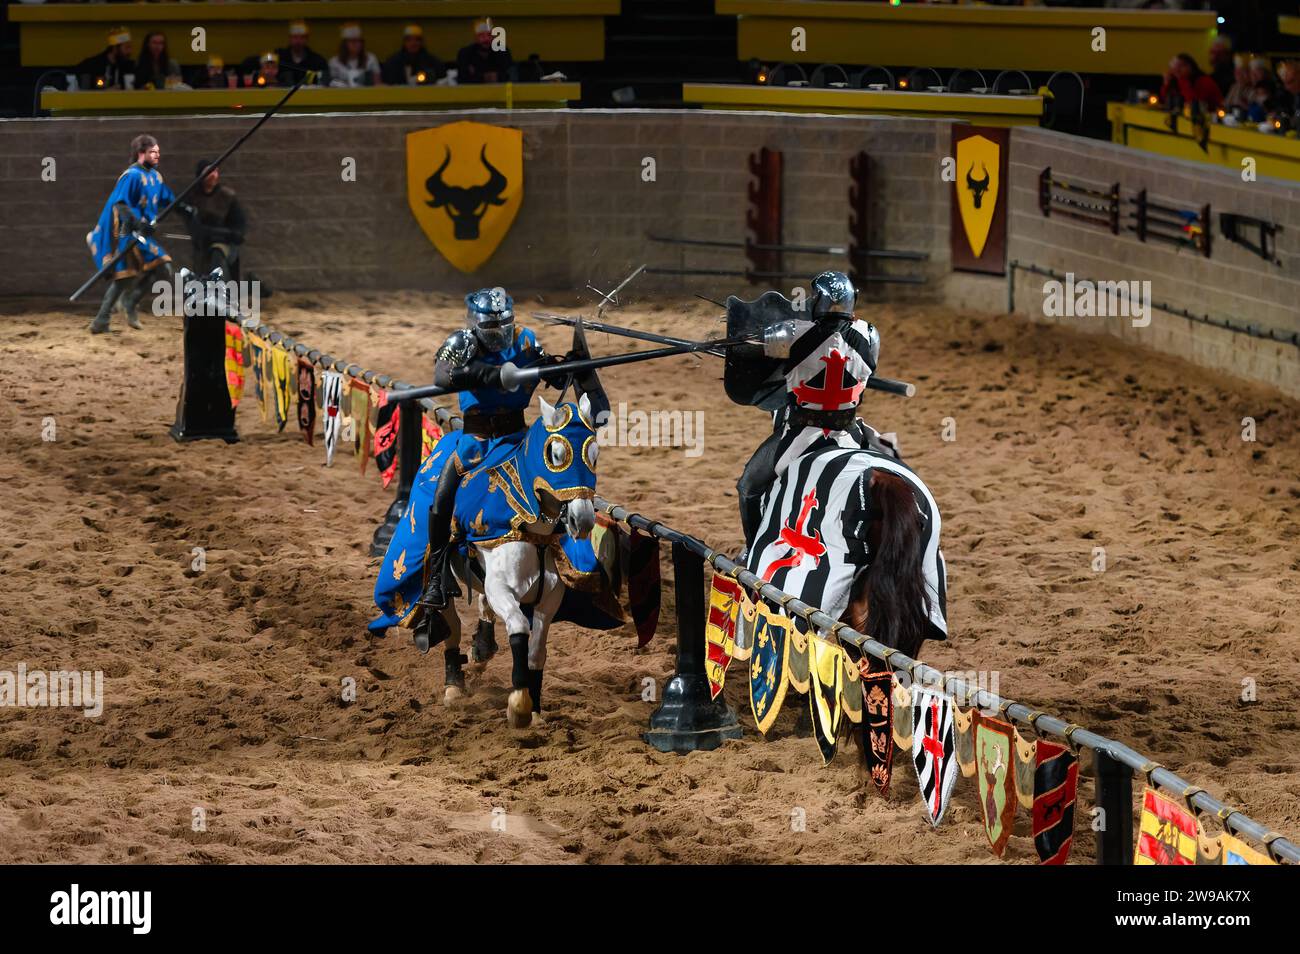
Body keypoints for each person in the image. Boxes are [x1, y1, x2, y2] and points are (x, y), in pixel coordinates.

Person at [416, 289, 561, 614]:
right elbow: (442, 375)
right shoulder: (462, 342)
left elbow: (542, 364)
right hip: (477, 441)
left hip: (516, 438)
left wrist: (558, 371)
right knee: (444, 493)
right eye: (491, 327)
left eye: (503, 325)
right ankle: (438, 576)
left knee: (557, 488)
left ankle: (563, 563)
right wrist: (485, 374)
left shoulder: (524, 340)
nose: (498, 333)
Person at [734, 271, 897, 557]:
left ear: (816, 300)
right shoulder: (870, 334)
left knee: (748, 486)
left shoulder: (790, 332)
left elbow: (750, 354)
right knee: (894, 464)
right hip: (849, 431)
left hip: (801, 434)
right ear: (852, 300)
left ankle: (752, 551)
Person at [86, 135, 188, 334]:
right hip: (129, 233)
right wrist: (139, 223)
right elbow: (121, 204)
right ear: (141, 153)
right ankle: (108, 317)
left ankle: (114, 312)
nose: (158, 155)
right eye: (153, 152)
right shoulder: (131, 175)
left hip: (143, 233)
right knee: (133, 274)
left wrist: (185, 207)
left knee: (150, 270)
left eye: (158, 151)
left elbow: (168, 199)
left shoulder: (156, 177)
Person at [184, 159, 247, 281]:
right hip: (202, 244)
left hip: (225, 243)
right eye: (209, 172)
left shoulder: (227, 196)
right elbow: (194, 227)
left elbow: (239, 225)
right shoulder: (191, 197)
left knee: (217, 253)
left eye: (216, 171)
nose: (214, 175)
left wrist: (232, 234)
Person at [1159, 53, 1224, 111]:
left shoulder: (1204, 81)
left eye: (1181, 66)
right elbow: (1165, 101)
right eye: (1175, 67)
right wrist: (1166, 84)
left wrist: (1183, 81)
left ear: (1191, 67)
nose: (1177, 69)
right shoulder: (1177, 79)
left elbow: (1194, 103)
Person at [456, 18, 513, 84]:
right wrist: (485, 77)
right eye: (481, 36)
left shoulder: (502, 51)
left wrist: (478, 76)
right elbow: (463, 80)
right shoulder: (465, 53)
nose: (486, 39)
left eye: (489, 35)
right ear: (475, 37)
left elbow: (510, 77)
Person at [275, 20, 329, 85]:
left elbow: (323, 82)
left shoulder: (317, 61)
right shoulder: (280, 59)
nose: (298, 41)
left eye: (302, 37)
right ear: (289, 38)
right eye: (295, 37)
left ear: (307, 39)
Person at [329, 23, 382, 87]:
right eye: (353, 42)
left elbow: (377, 83)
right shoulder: (334, 62)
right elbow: (332, 84)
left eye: (360, 41)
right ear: (345, 44)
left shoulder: (371, 59)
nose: (358, 45)